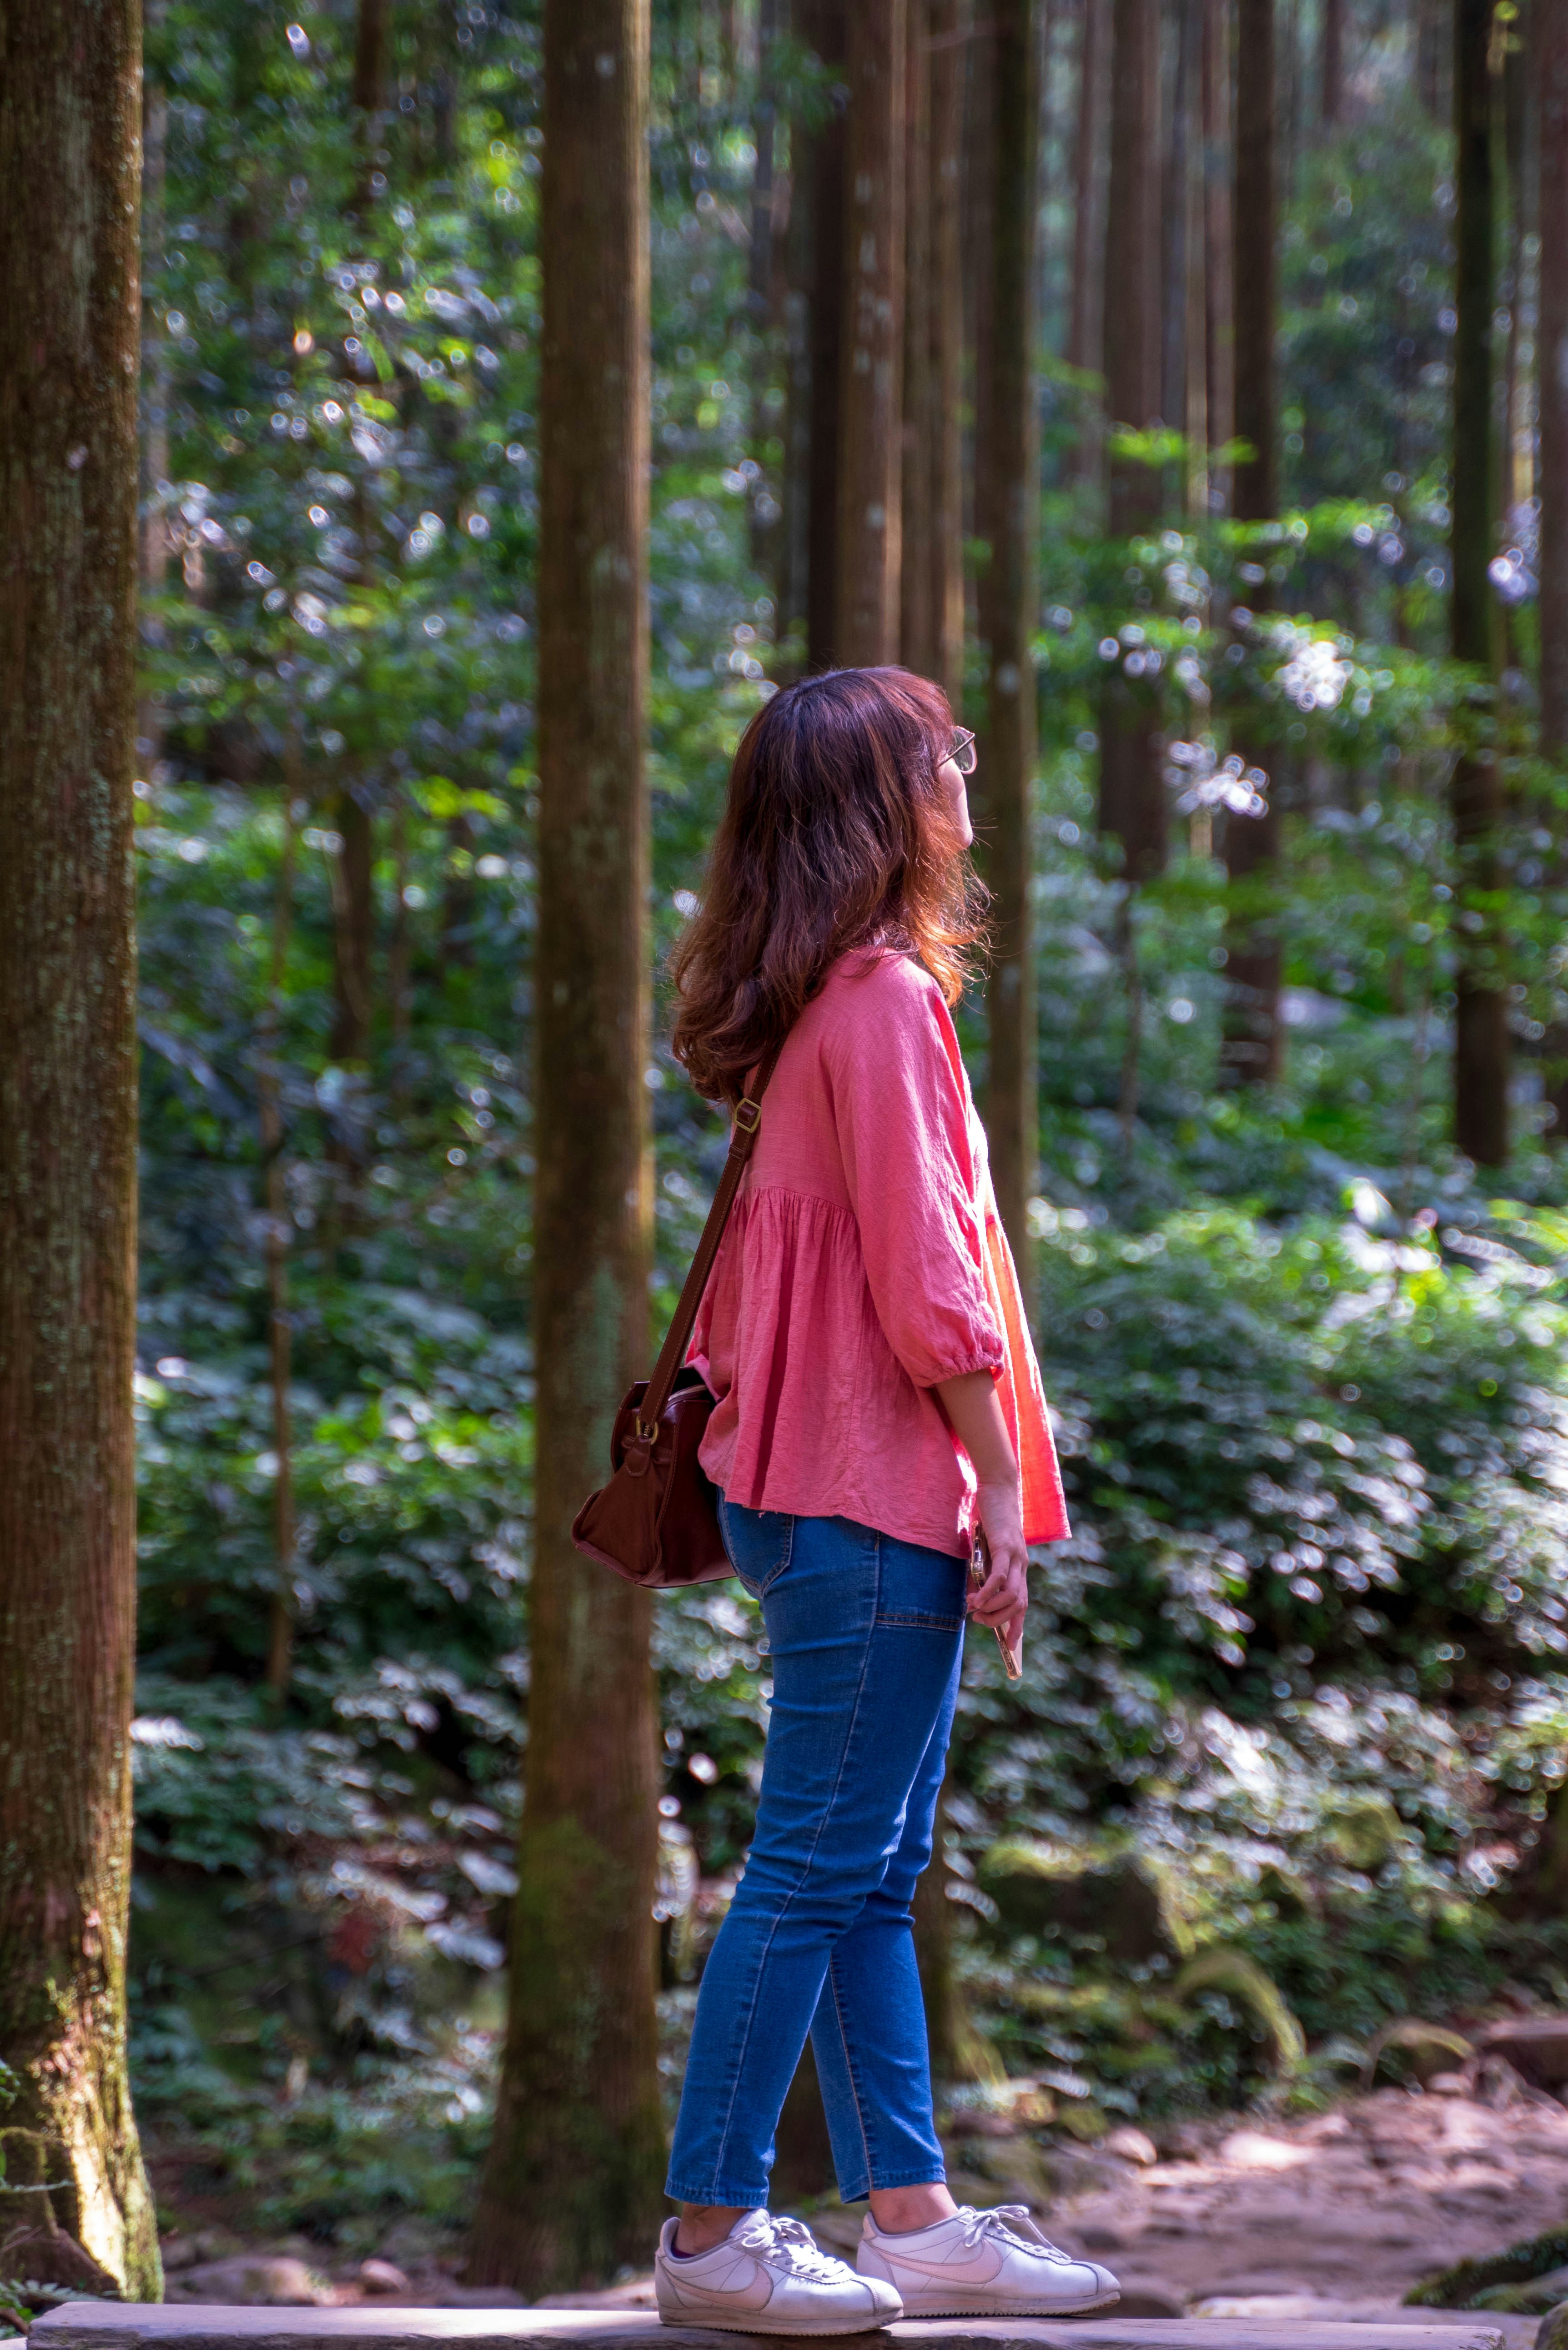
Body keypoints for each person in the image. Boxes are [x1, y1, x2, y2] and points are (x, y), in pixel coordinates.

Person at [652, 667, 1120, 2335]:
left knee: (864, 1864)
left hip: (805, 1486)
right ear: (887, 802)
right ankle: (712, 2237)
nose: (966, 774)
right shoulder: (889, 1001)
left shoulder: (811, 1014)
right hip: (868, 1488)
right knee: (814, 1864)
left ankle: (914, 2217)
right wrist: (994, 1477)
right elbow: (935, 1285)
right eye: (949, 754)